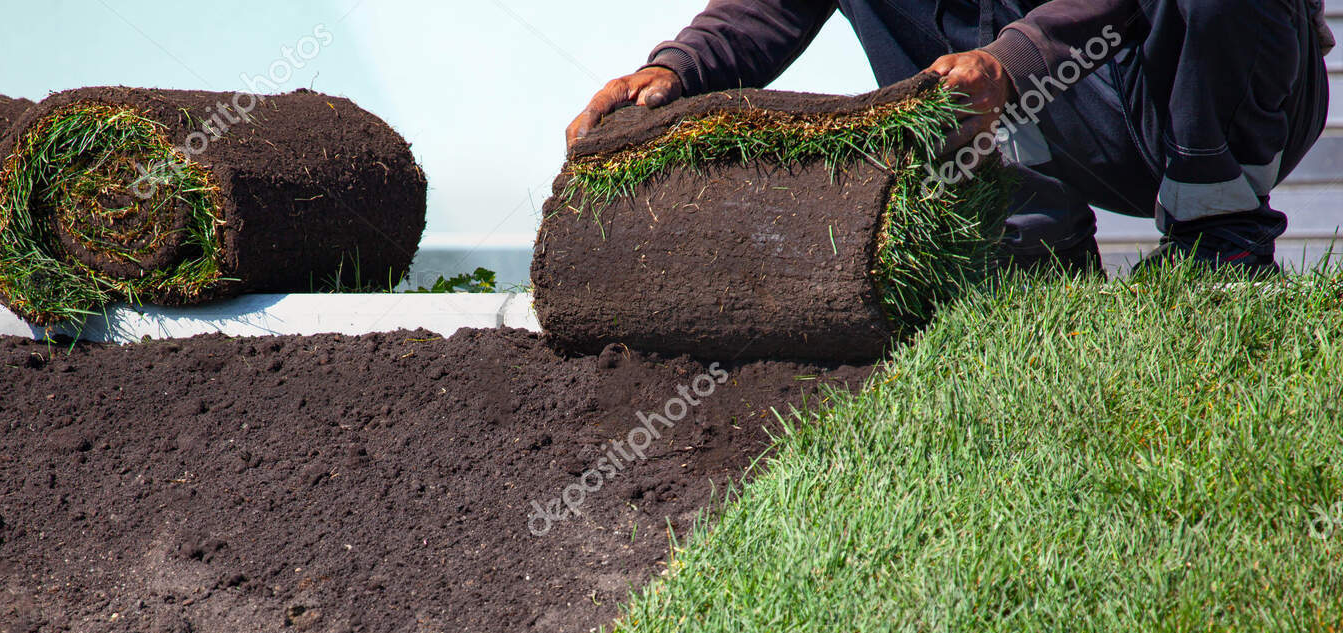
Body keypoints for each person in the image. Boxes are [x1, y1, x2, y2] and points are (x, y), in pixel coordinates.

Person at [567, 1, 1332, 274]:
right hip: (1064, 114)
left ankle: (1219, 234)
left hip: (1178, 90)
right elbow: (765, 8)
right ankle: (1028, 243)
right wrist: (672, 68)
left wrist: (1011, 61)